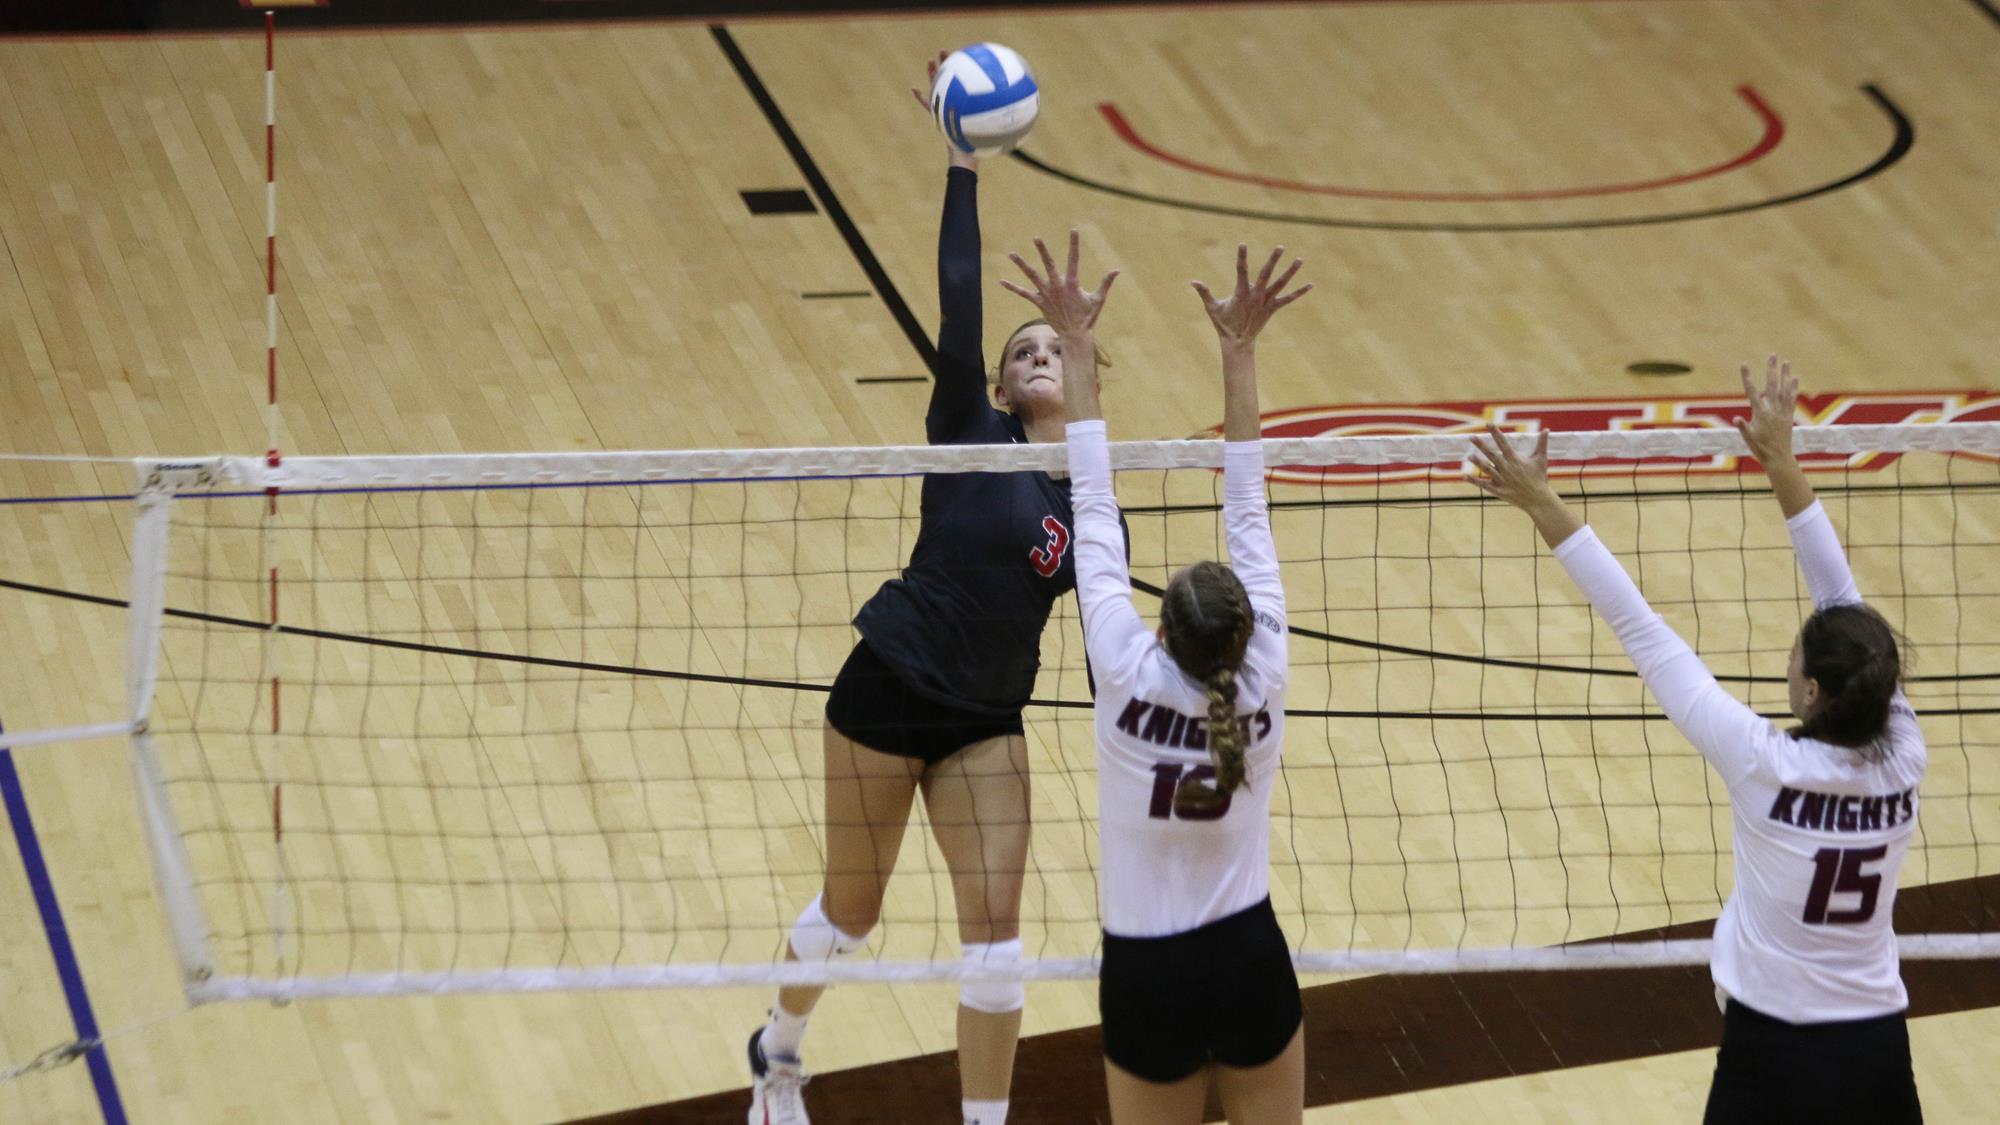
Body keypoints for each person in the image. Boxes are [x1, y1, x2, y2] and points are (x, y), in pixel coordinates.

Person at [744, 55, 1113, 1125]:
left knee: (996, 930)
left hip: (987, 718)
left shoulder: (1093, 497)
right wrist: (962, 167)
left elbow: (1106, 631)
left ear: (1085, 376)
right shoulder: (968, 432)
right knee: (852, 910)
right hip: (889, 684)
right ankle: (778, 1052)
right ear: (1000, 387)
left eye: (1058, 347)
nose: (1039, 355)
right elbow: (958, 303)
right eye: (1024, 351)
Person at [1468, 357, 1925, 1124]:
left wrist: (1542, 502)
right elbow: (1845, 602)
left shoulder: (1763, 763)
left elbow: (1643, 629)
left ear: (1811, 692)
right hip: (1875, 1044)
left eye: (1797, 657)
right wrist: (1783, 463)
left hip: (1771, 1048)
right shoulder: (1904, 748)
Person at [1002, 233, 1312, 1124]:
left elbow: (1092, 501)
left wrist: (1076, 344)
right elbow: (1247, 501)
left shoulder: (1125, 674)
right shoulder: (1267, 668)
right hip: (1250, 958)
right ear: (1241, 632)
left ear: (1162, 629)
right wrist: (1240, 349)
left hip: (1146, 974)